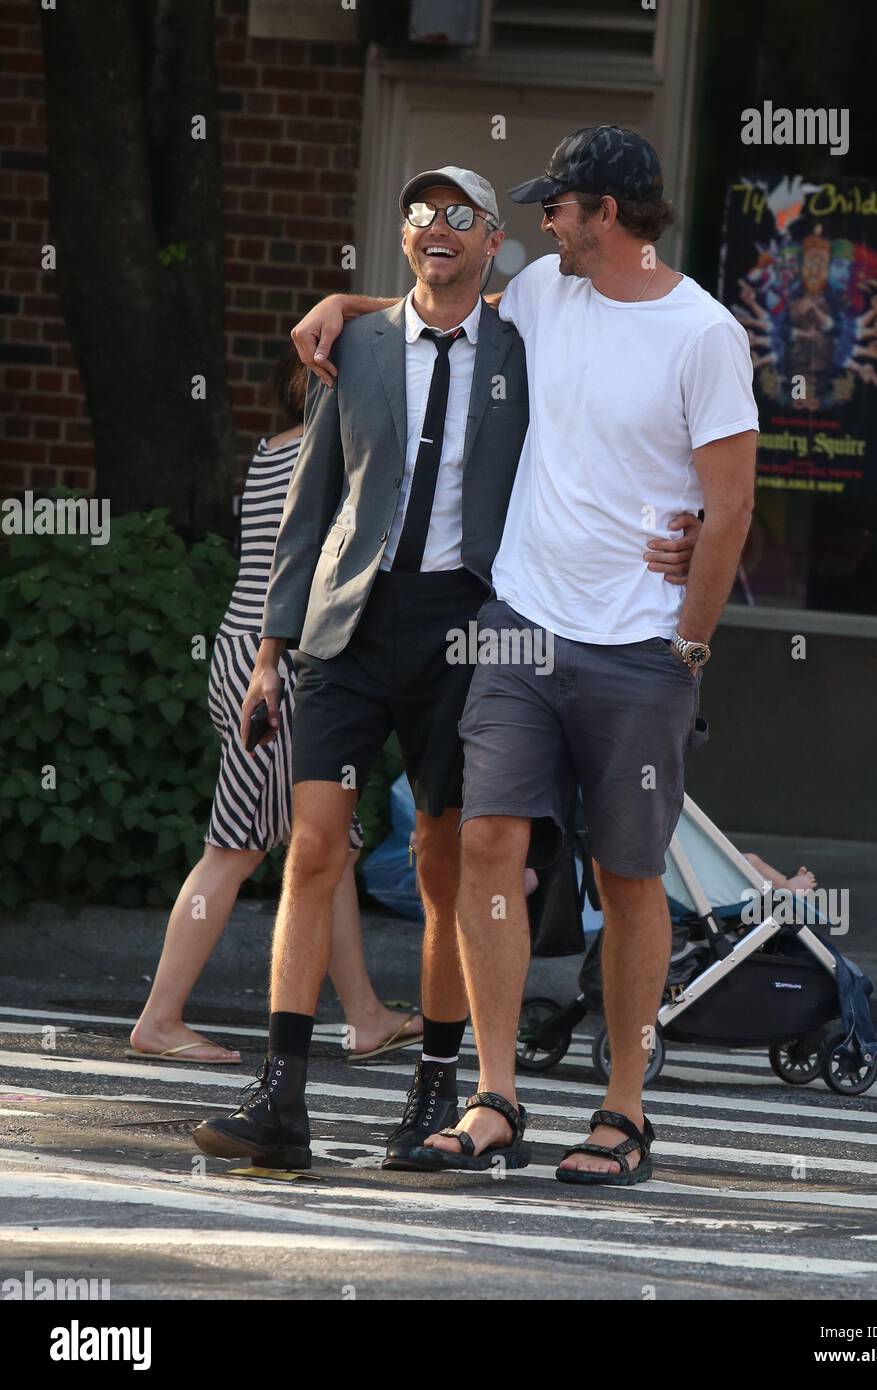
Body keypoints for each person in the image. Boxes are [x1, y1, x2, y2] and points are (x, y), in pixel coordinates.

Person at [192, 165, 700, 1173]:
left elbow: (616, 438)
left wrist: (693, 527)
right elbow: (312, 500)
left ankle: (435, 1086)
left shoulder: (524, 339)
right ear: (403, 227)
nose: (437, 229)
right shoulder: (361, 345)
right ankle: (280, 1095)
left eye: (460, 217)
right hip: (350, 621)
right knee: (316, 845)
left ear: (490, 243)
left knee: (444, 860)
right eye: (419, 211)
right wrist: (268, 648)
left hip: (466, 627)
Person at [401, 126, 758, 1185]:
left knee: (629, 874)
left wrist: (689, 640)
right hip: (522, 622)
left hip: (641, 644)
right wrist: (348, 311)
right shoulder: (549, 298)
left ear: (607, 214)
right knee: (486, 843)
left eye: (558, 205)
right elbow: (442, 319)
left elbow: (732, 504)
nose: (543, 221)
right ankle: (495, 1093)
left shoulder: (704, 334)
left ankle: (624, 1109)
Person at [130, 349, 418, 1069]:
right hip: (279, 667)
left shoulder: (270, 450)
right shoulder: (327, 455)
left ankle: (365, 1017)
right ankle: (159, 1019)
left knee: (330, 845)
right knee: (234, 848)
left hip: (247, 653)